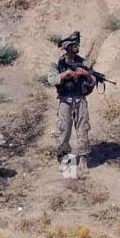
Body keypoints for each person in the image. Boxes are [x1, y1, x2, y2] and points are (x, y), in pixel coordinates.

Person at [47, 32, 98, 177]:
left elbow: (93, 80)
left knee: (83, 130)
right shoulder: (57, 64)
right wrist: (65, 75)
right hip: (65, 101)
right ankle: (66, 159)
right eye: (75, 45)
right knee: (64, 130)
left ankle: (83, 160)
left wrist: (86, 74)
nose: (78, 47)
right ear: (68, 47)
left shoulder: (84, 63)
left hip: (80, 100)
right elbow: (51, 80)